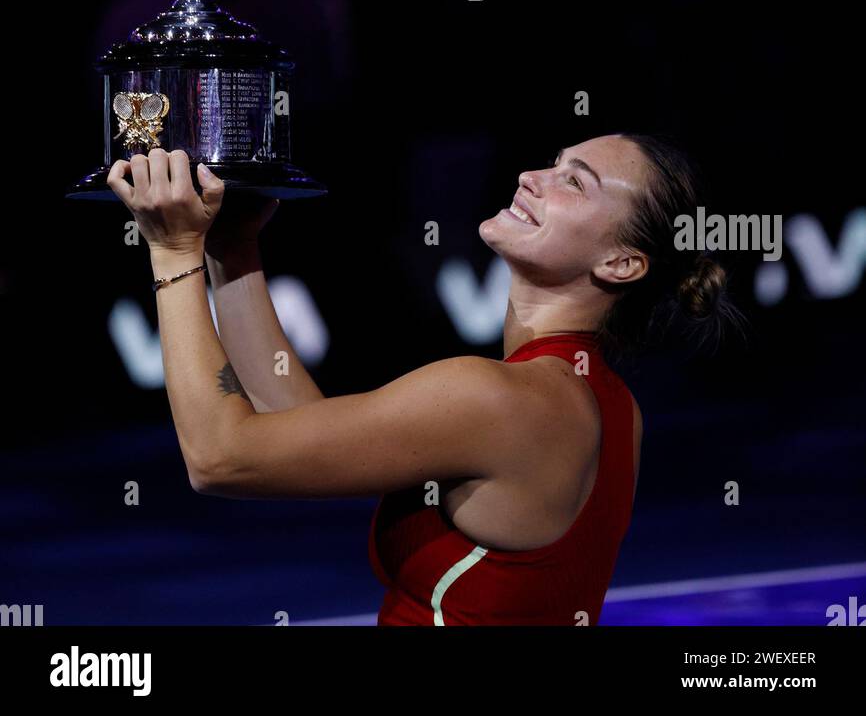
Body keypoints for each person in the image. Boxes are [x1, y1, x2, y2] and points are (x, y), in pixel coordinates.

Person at [107, 132, 743, 626]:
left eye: (575, 183)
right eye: (554, 161)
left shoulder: (501, 398)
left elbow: (221, 458)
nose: (533, 177)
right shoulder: (609, 404)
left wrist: (173, 253)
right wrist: (232, 254)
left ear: (622, 262)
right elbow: (298, 434)